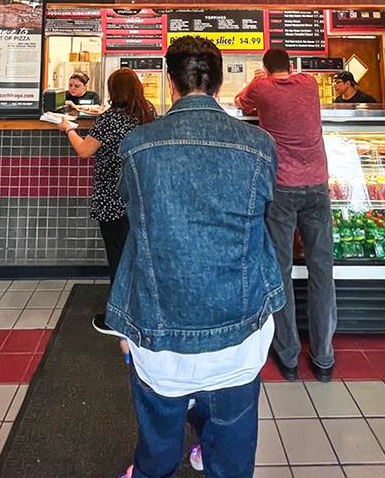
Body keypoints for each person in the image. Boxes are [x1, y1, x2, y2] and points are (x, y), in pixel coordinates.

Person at [108, 37, 284, 478]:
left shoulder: (138, 144)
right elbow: (265, 207)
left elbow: (132, 207)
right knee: (232, 434)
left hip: (159, 326)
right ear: (221, 83)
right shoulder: (257, 143)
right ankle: (213, 454)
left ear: (171, 83)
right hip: (240, 330)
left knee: (159, 429)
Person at [235, 48, 336, 383]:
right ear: (291, 66)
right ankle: (323, 358)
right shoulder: (308, 83)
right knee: (322, 270)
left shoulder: (261, 88)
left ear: (265, 69)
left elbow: (240, 103)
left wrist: (258, 82)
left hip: (281, 188)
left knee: (281, 269)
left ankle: (288, 354)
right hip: (318, 186)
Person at [57, 67, 156, 334]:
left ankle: (119, 317)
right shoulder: (148, 112)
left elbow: (84, 150)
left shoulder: (110, 118)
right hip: (140, 195)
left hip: (112, 196)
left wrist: (68, 129)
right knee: (137, 253)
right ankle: (141, 309)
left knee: (117, 254)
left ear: (114, 92)